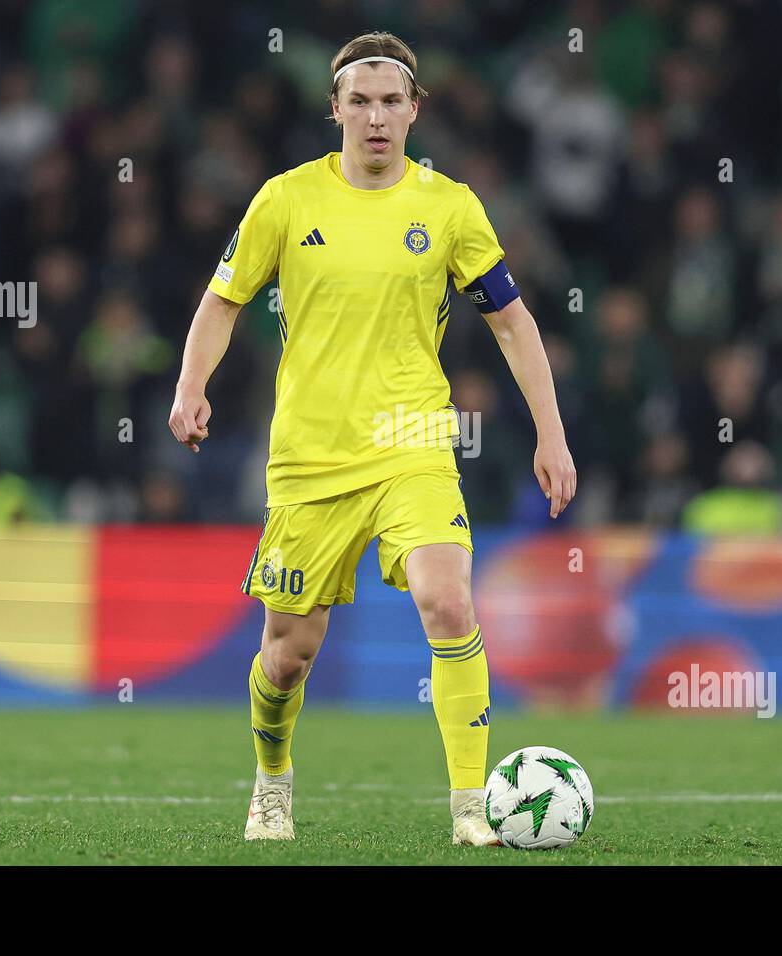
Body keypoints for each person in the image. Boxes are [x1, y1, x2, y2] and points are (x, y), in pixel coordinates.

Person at [168, 32, 576, 845]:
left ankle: (472, 811)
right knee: (287, 657)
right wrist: (191, 384)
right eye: (360, 101)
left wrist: (551, 434)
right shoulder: (285, 201)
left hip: (413, 441)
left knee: (449, 600)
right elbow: (223, 300)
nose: (376, 117)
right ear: (335, 110)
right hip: (309, 457)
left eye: (392, 101)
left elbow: (514, 323)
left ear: (416, 111)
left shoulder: (450, 205)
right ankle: (272, 783)